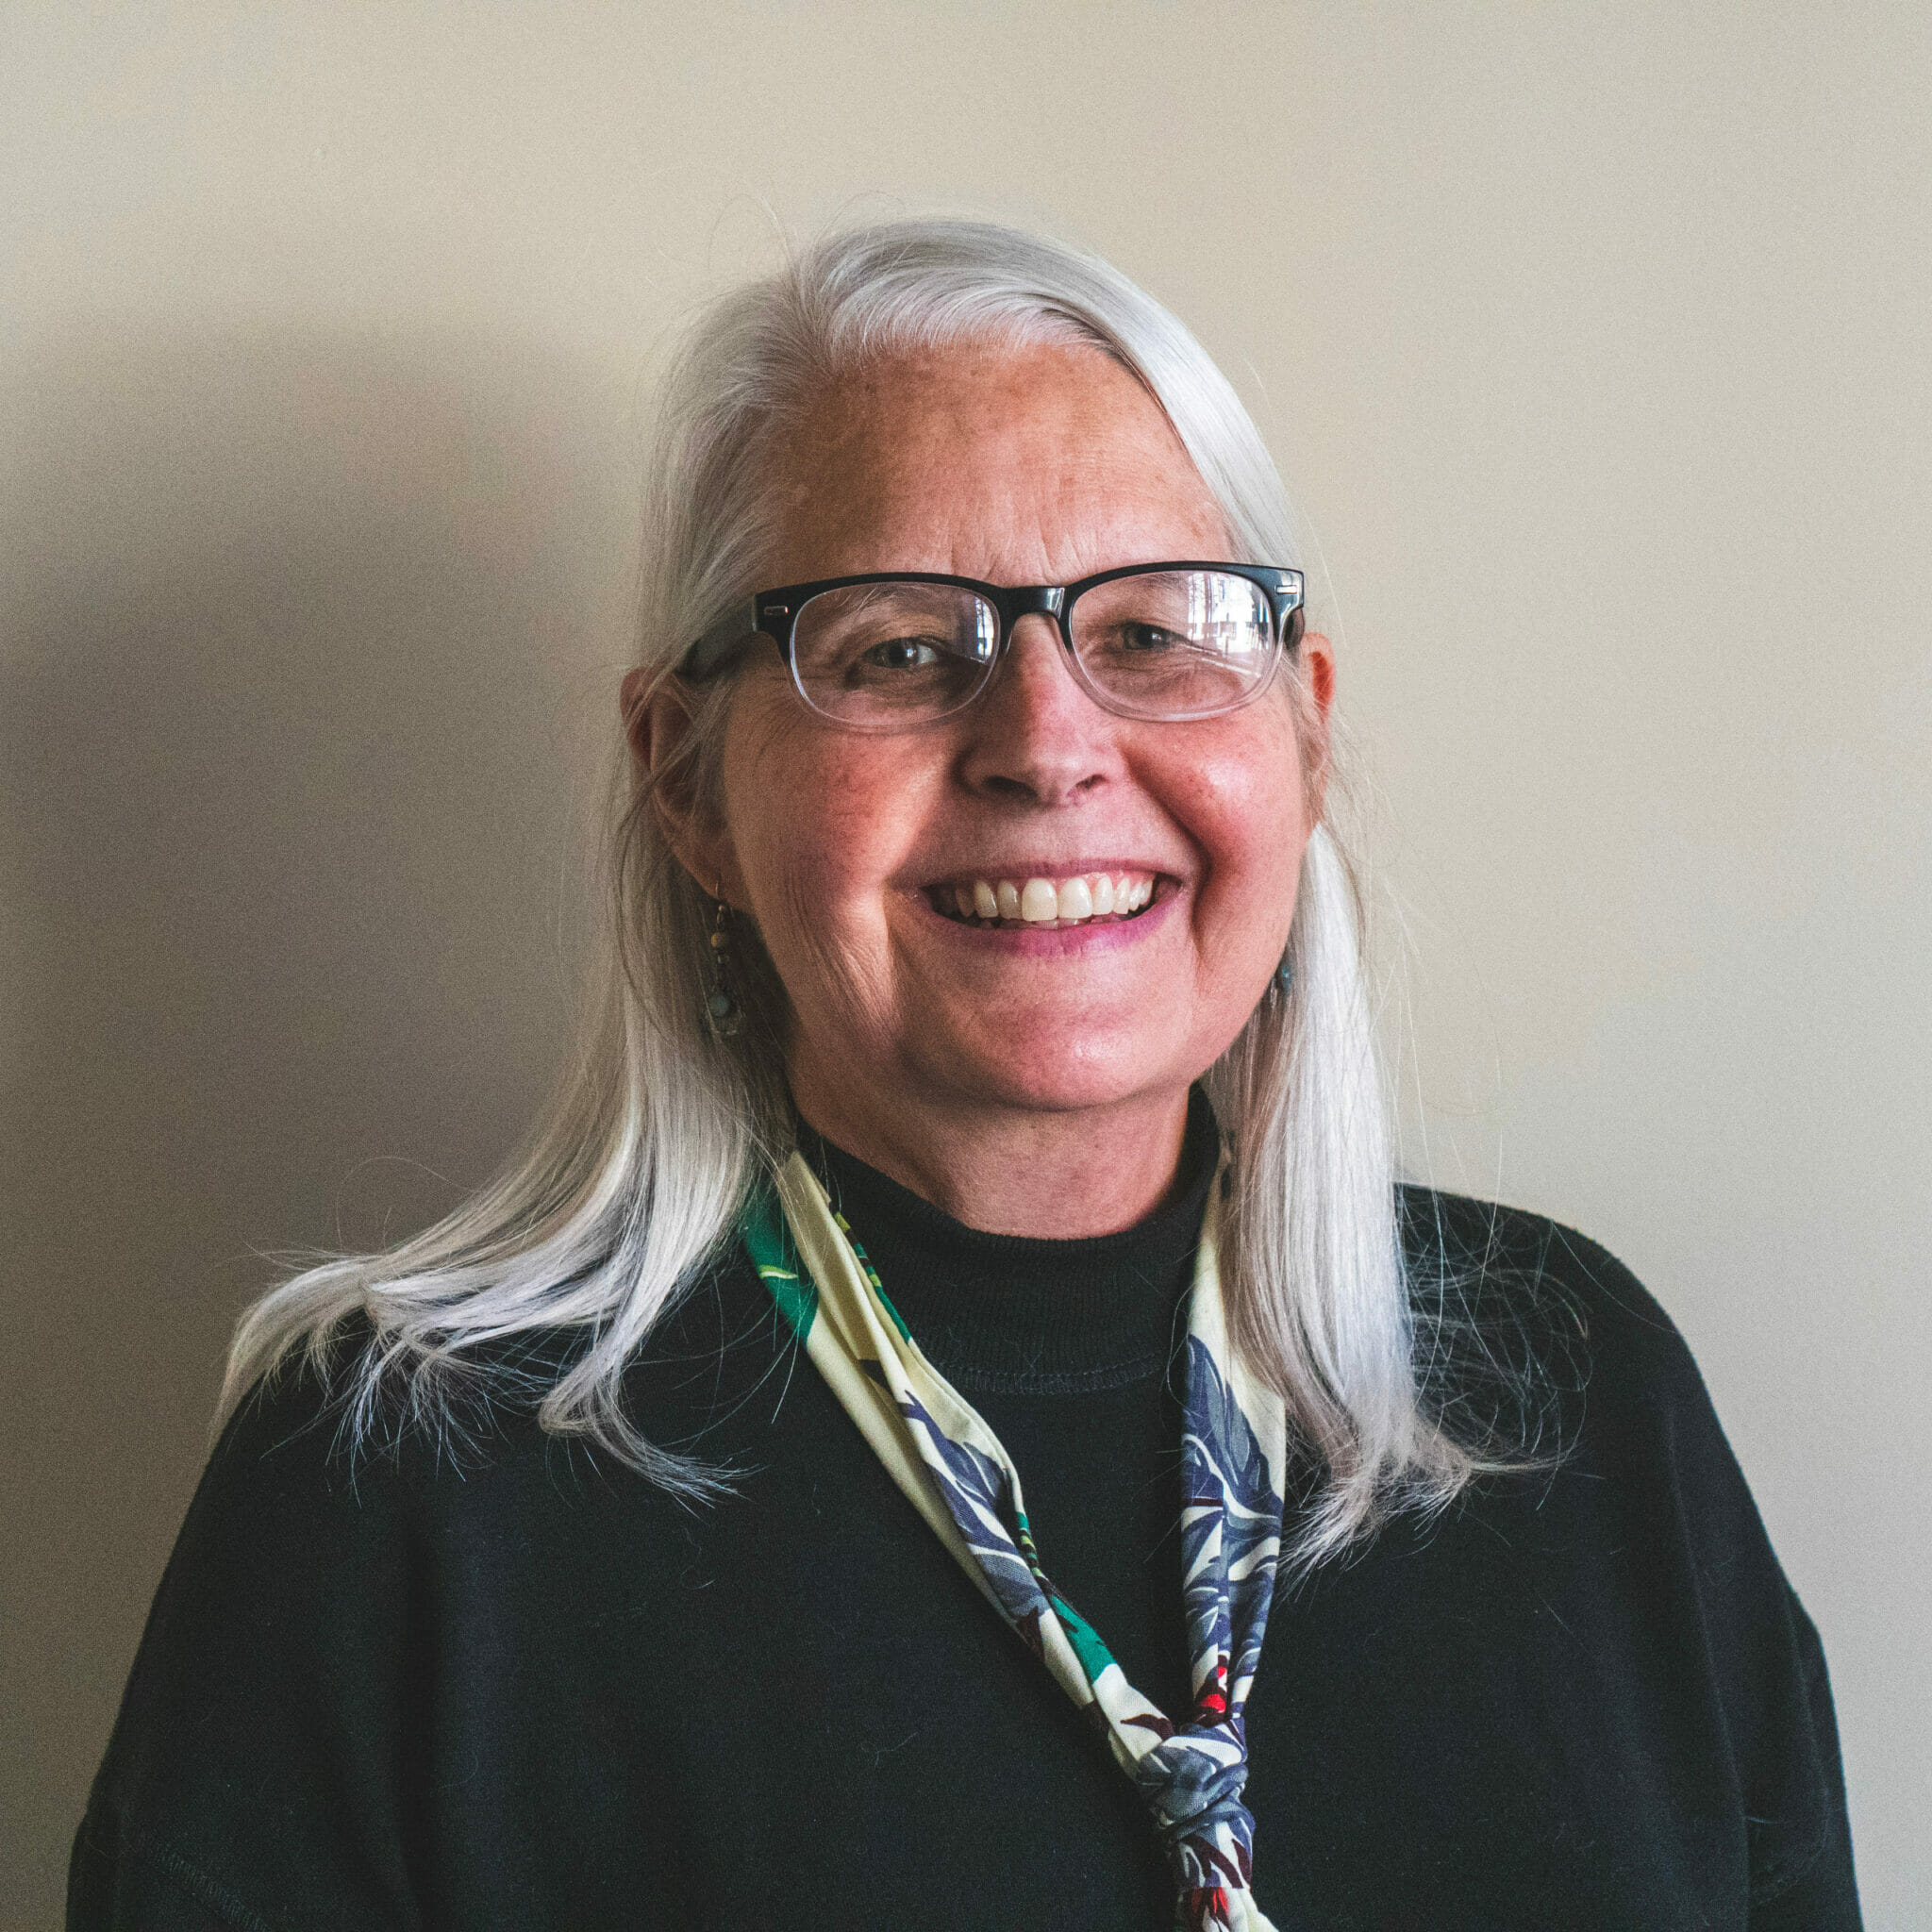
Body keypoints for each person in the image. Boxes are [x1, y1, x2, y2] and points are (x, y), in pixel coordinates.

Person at [69, 222, 1859, 1931]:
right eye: (902, 650)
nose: (1047, 747)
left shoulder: (1572, 1385)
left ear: (1301, 732)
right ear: (687, 778)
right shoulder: (402, 1494)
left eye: (1157, 634)